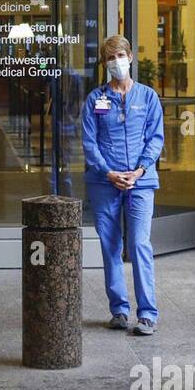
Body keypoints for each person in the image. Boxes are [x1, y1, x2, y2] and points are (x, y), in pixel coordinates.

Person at [82, 35, 165, 335]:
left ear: (130, 57)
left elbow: (155, 138)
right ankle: (119, 309)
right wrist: (108, 173)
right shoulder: (95, 100)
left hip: (140, 183)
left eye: (120, 55)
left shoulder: (148, 97)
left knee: (139, 243)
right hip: (105, 182)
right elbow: (89, 143)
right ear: (104, 63)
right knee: (110, 245)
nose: (115, 61)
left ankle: (147, 313)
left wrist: (140, 170)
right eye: (109, 57)